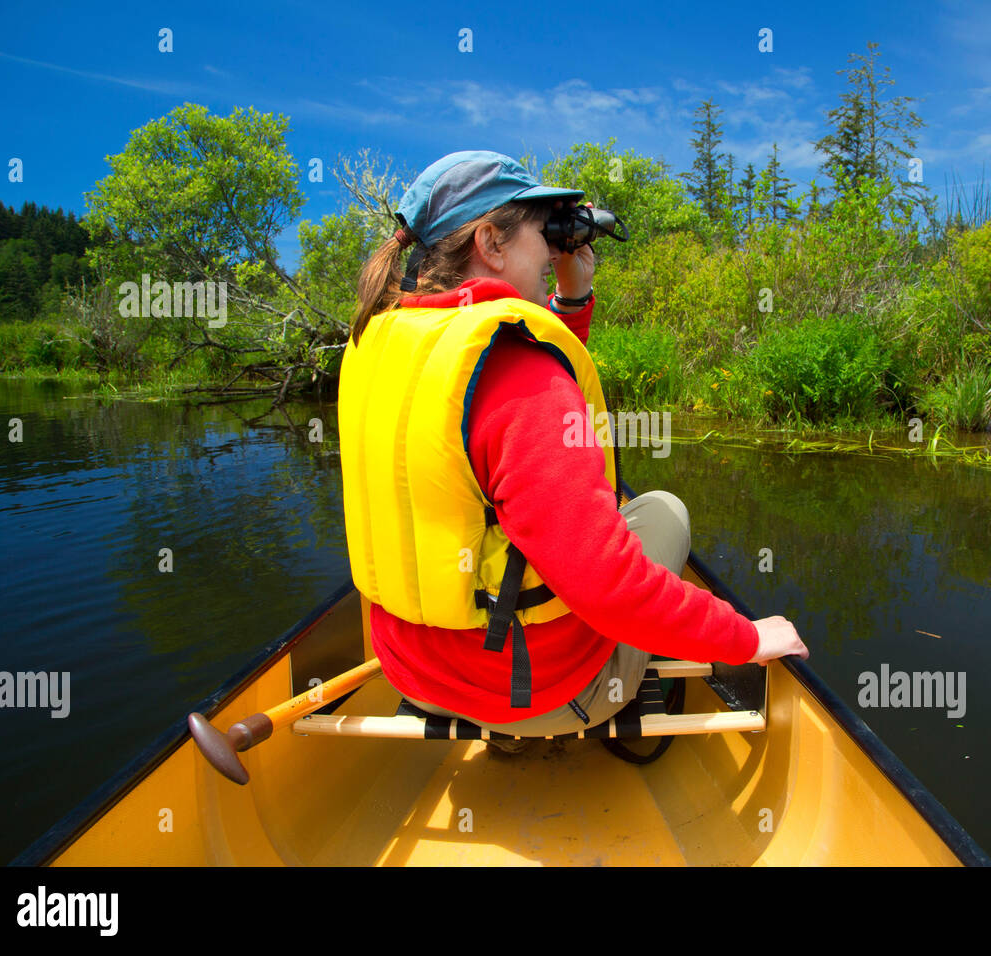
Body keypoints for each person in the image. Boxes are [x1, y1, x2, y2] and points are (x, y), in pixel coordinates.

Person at [338, 150, 807, 746]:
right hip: (529, 694)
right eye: (543, 233)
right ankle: (615, 692)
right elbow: (604, 581)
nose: (556, 251)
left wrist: (571, 299)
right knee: (663, 511)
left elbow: (505, 408)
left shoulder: (379, 342)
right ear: (491, 241)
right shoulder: (522, 374)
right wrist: (745, 638)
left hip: (412, 674)